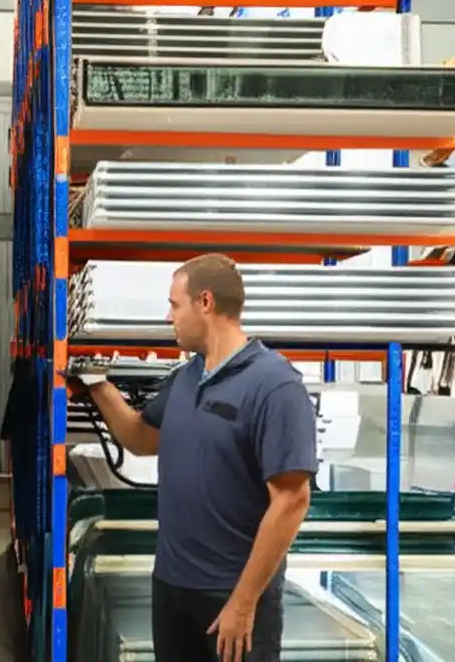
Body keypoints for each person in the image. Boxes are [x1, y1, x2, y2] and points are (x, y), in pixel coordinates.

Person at [67, 253, 317, 662]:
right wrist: (98, 386)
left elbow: (292, 500)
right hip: (172, 585)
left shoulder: (275, 386)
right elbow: (142, 438)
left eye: (174, 305)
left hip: (230, 595)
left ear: (205, 303)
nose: (170, 317)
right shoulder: (186, 378)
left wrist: (242, 602)